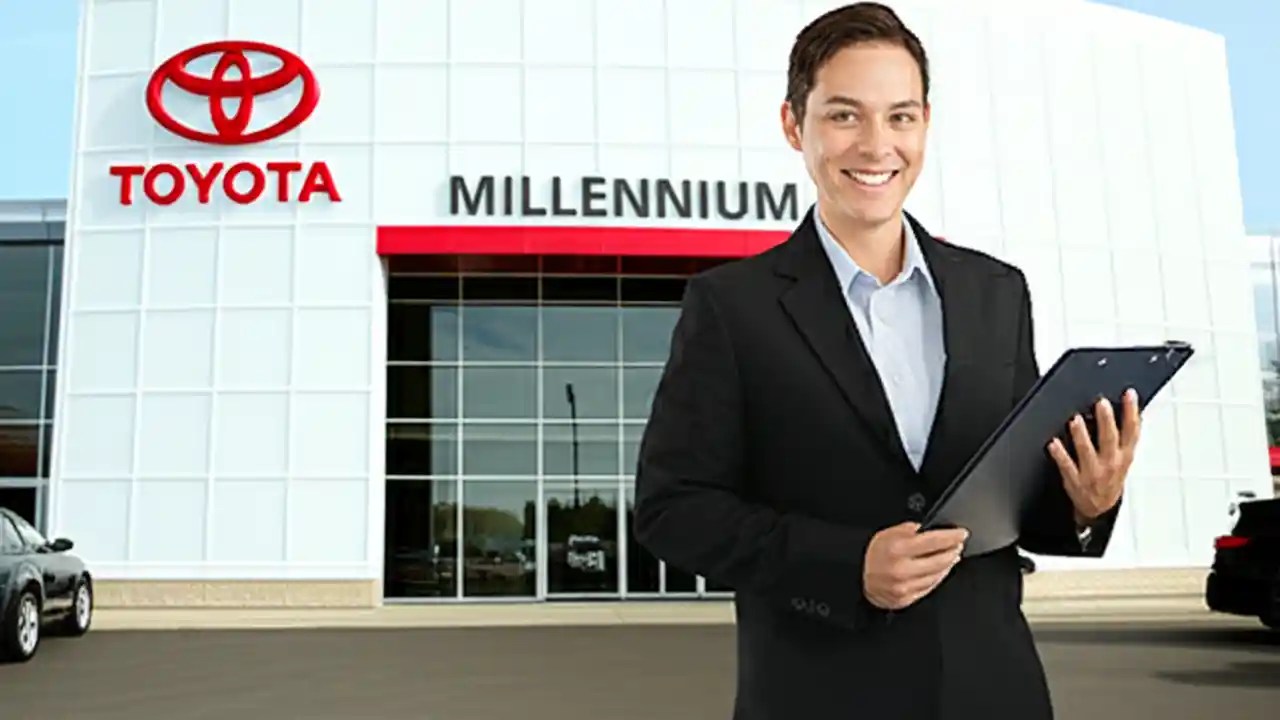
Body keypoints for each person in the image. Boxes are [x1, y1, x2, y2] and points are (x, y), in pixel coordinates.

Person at [632, 4, 1140, 719]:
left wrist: (1087, 503)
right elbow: (672, 510)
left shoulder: (996, 293)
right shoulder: (732, 307)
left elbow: (1016, 497)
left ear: (925, 123)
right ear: (793, 125)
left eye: (900, 117)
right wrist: (847, 567)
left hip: (993, 694)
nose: (876, 146)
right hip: (818, 697)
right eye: (844, 115)